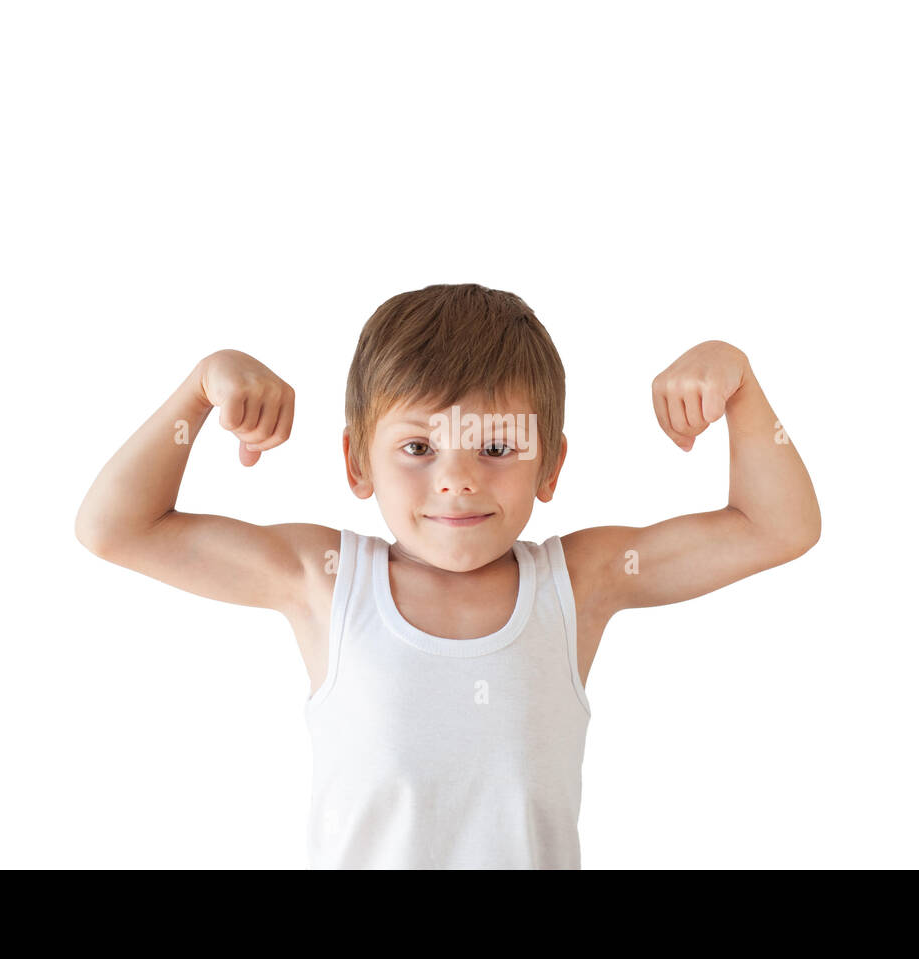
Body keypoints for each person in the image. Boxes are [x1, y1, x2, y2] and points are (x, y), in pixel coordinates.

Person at [74, 282, 821, 868]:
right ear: (356, 463)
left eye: (497, 447)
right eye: (418, 447)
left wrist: (742, 385)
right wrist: (199, 392)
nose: (457, 480)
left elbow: (777, 526)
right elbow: (114, 527)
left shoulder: (579, 581)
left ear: (552, 465)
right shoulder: (326, 579)